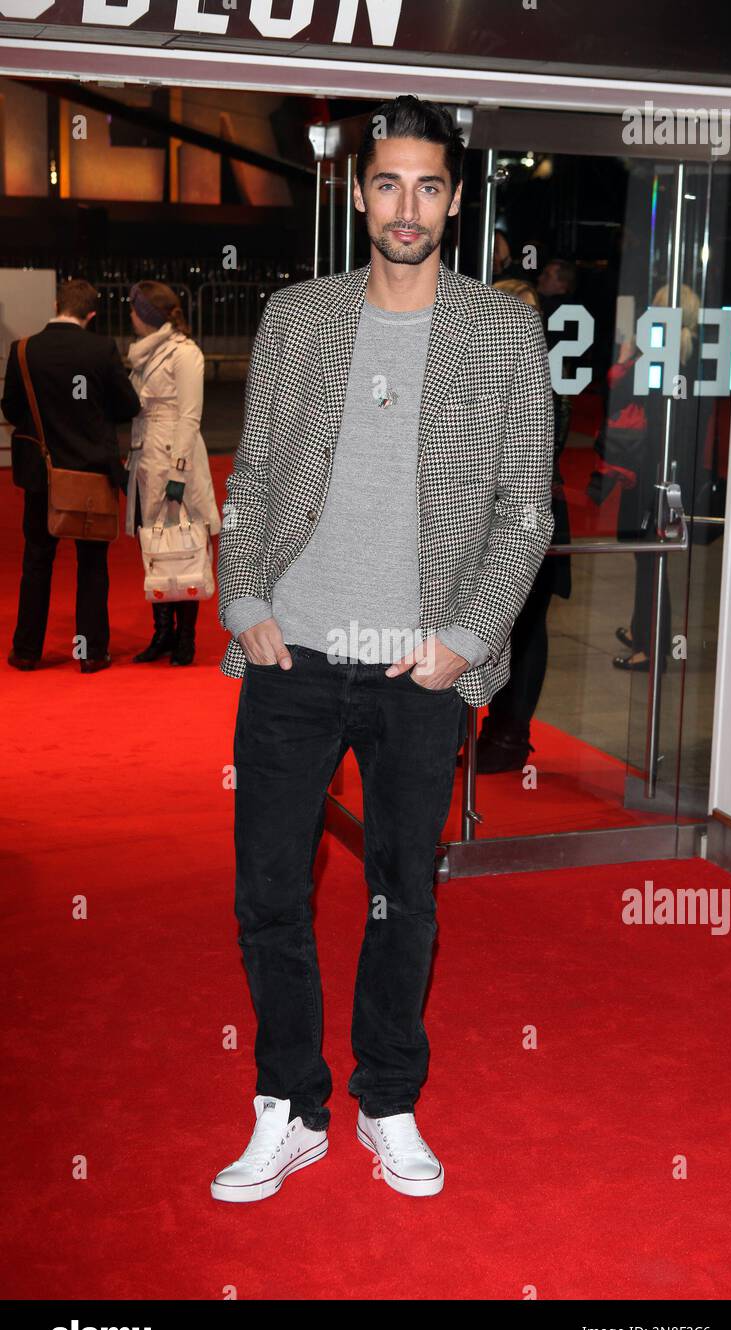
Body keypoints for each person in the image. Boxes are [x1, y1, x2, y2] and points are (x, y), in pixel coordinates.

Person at [211, 94, 555, 1205]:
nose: (406, 206)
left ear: (452, 202)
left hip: (419, 669)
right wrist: (244, 596)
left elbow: (525, 510)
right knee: (268, 890)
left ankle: (388, 1099)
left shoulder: (499, 331)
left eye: (428, 186)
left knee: (402, 892)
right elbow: (256, 473)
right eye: (387, 184)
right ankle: (289, 1103)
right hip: (292, 655)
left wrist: (464, 640)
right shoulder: (297, 317)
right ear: (360, 195)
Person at [2, 278, 139, 673]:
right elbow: (127, 405)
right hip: (91, 474)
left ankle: (27, 651)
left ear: (56, 303)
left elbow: (12, 408)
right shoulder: (100, 349)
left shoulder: (24, 350)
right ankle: (92, 653)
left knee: (37, 562)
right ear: (91, 315)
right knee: (92, 565)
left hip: (41, 476)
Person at [472, 278, 572, 771]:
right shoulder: (484, 375)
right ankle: (494, 729)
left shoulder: (539, 387)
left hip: (524, 523)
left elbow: (529, 469)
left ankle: (510, 734)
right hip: (491, 522)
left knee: (527, 628)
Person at [124, 281, 221, 667]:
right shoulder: (145, 354)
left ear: (147, 315)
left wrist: (178, 472)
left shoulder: (185, 353)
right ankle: (162, 632)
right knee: (155, 545)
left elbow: (189, 415)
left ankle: (186, 638)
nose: (129, 315)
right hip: (146, 455)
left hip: (174, 456)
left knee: (184, 544)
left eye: (134, 309)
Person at [612, 283, 706, 673]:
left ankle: (650, 646)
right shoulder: (694, 355)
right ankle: (644, 631)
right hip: (675, 470)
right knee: (652, 558)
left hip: (651, 472)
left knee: (650, 560)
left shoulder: (657, 359)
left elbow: (618, 392)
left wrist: (624, 356)